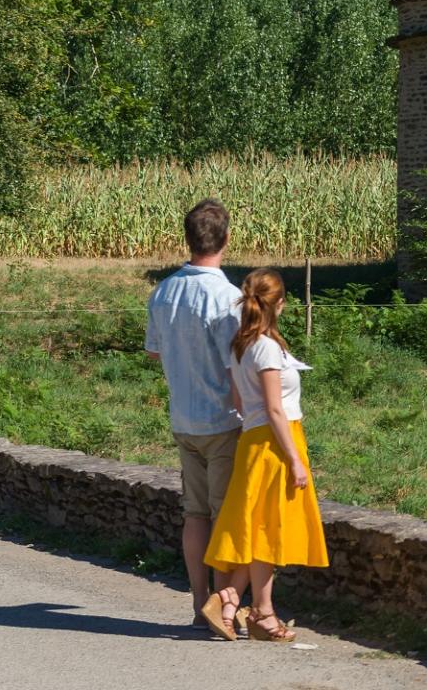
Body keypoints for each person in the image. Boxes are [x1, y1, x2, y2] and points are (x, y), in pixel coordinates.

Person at [200, 269, 329, 643]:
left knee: (258, 530)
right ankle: (259, 611)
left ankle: (233, 603)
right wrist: (294, 459)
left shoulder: (241, 345)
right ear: (281, 305)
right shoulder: (269, 349)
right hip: (276, 442)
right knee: (268, 532)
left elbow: (241, 402)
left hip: (252, 441)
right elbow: (276, 409)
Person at [144, 198, 245, 635]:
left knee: (195, 515)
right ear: (226, 239)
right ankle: (224, 608)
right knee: (225, 517)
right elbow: (238, 364)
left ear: (188, 239)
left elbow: (154, 351)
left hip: (183, 417)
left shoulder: (164, 291)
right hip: (223, 418)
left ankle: (198, 600)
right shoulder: (228, 298)